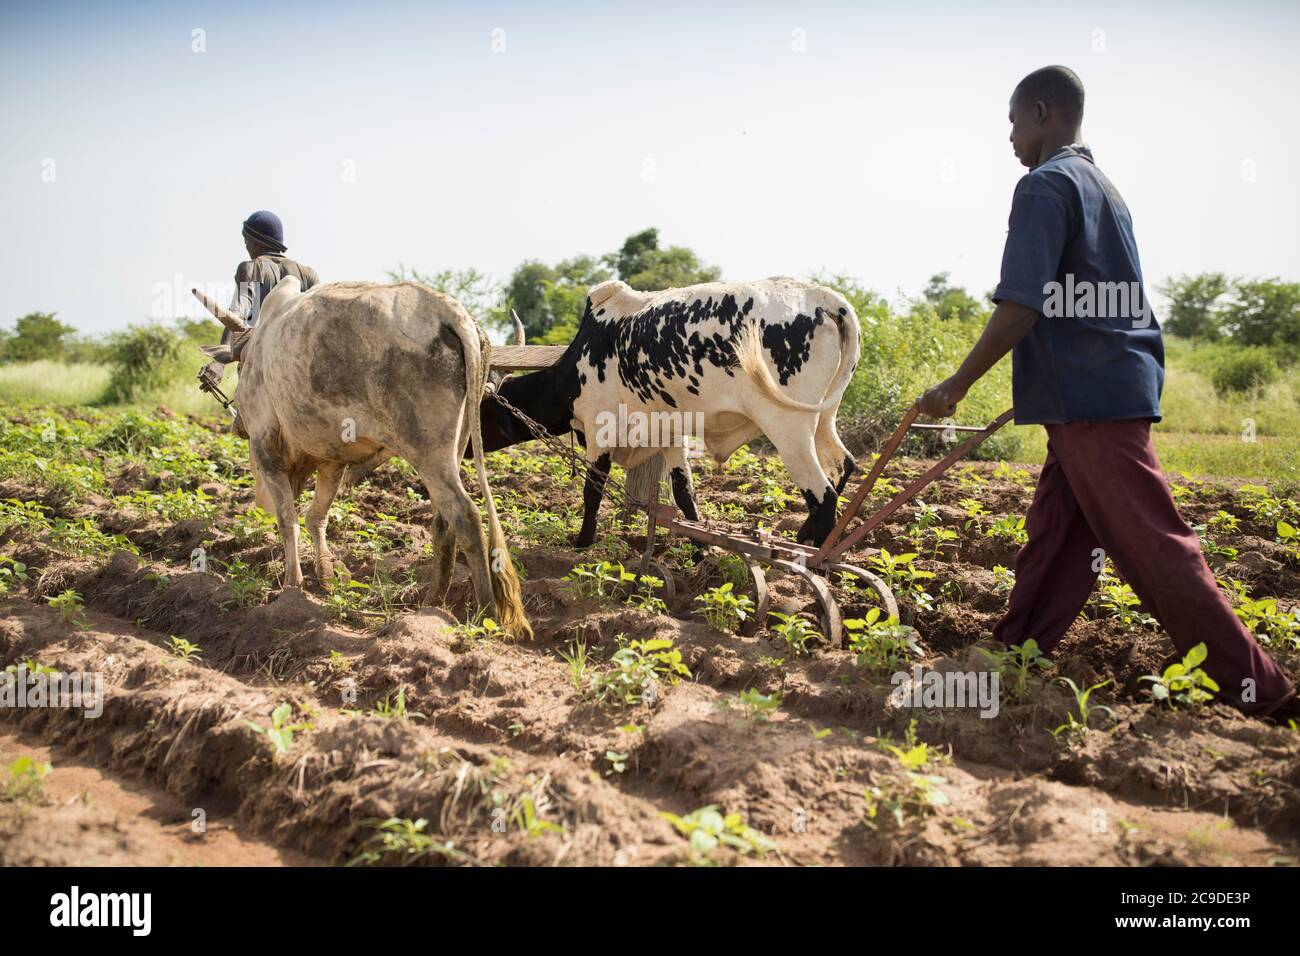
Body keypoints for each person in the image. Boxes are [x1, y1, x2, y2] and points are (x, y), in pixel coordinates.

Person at [918, 65, 1295, 719]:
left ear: (1041, 112)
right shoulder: (1104, 188)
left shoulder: (1042, 185)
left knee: (1152, 543)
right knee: (1059, 535)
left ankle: (1260, 690)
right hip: (1098, 388)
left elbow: (1020, 303)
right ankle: (1015, 649)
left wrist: (958, 383)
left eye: (1012, 121)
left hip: (1090, 400)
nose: (1009, 136)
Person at [199, 210, 319, 386]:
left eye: (246, 241)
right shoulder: (308, 274)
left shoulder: (251, 269)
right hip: (299, 370)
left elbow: (239, 312)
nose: (246, 246)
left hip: (261, 366)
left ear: (256, 242)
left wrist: (219, 363)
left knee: (247, 413)